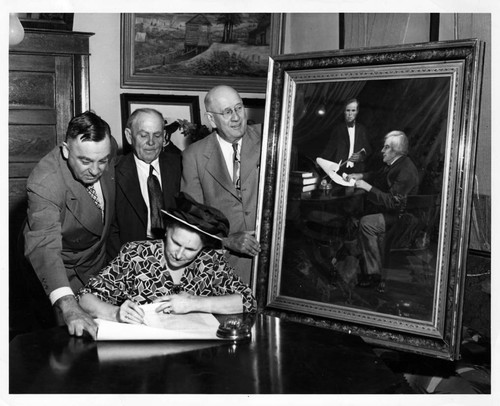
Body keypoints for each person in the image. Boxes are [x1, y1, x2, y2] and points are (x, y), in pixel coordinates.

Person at [77, 193, 256, 324]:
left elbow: (247, 301)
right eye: (175, 243)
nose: (179, 254)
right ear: (166, 230)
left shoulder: (209, 261)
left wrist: (193, 303)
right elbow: (85, 298)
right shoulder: (136, 255)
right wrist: (115, 313)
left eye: (191, 249)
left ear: (203, 247)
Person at [24, 111, 116, 340]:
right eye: (85, 161)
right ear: (66, 150)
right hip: (63, 268)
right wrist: (68, 304)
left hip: (97, 262)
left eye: (102, 161)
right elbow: (44, 246)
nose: (95, 170)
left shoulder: (104, 146)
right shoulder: (45, 182)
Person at [181, 85, 261, 284]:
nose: (236, 117)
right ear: (211, 119)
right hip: (222, 270)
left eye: (239, 108)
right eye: (227, 112)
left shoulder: (269, 138)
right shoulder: (194, 156)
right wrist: (226, 241)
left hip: (270, 267)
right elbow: (193, 222)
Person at [347, 130, 420, 289]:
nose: (382, 151)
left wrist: (366, 187)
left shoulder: (406, 170)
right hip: (394, 213)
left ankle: (374, 275)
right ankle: (362, 264)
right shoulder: (396, 163)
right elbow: (378, 176)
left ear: (396, 151)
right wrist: (361, 176)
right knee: (359, 215)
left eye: (386, 148)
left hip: (401, 218)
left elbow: (394, 202)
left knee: (367, 223)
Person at [107, 108, 181, 259]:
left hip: (176, 256)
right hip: (130, 258)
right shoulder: (113, 172)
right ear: (129, 136)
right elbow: (110, 231)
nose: (151, 142)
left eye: (157, 135)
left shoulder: (180, 166)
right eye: (143, 135)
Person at [321, 98, 372, 175]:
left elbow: (368, 149)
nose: (350, 114)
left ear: (357, 112)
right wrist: (320, 160)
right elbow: (330, 149)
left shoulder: (362, 129)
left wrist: (361, 157)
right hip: (340, 169)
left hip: (357, 170)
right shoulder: (338, 129)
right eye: (348, 110)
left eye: (353, 110)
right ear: (344, 111)